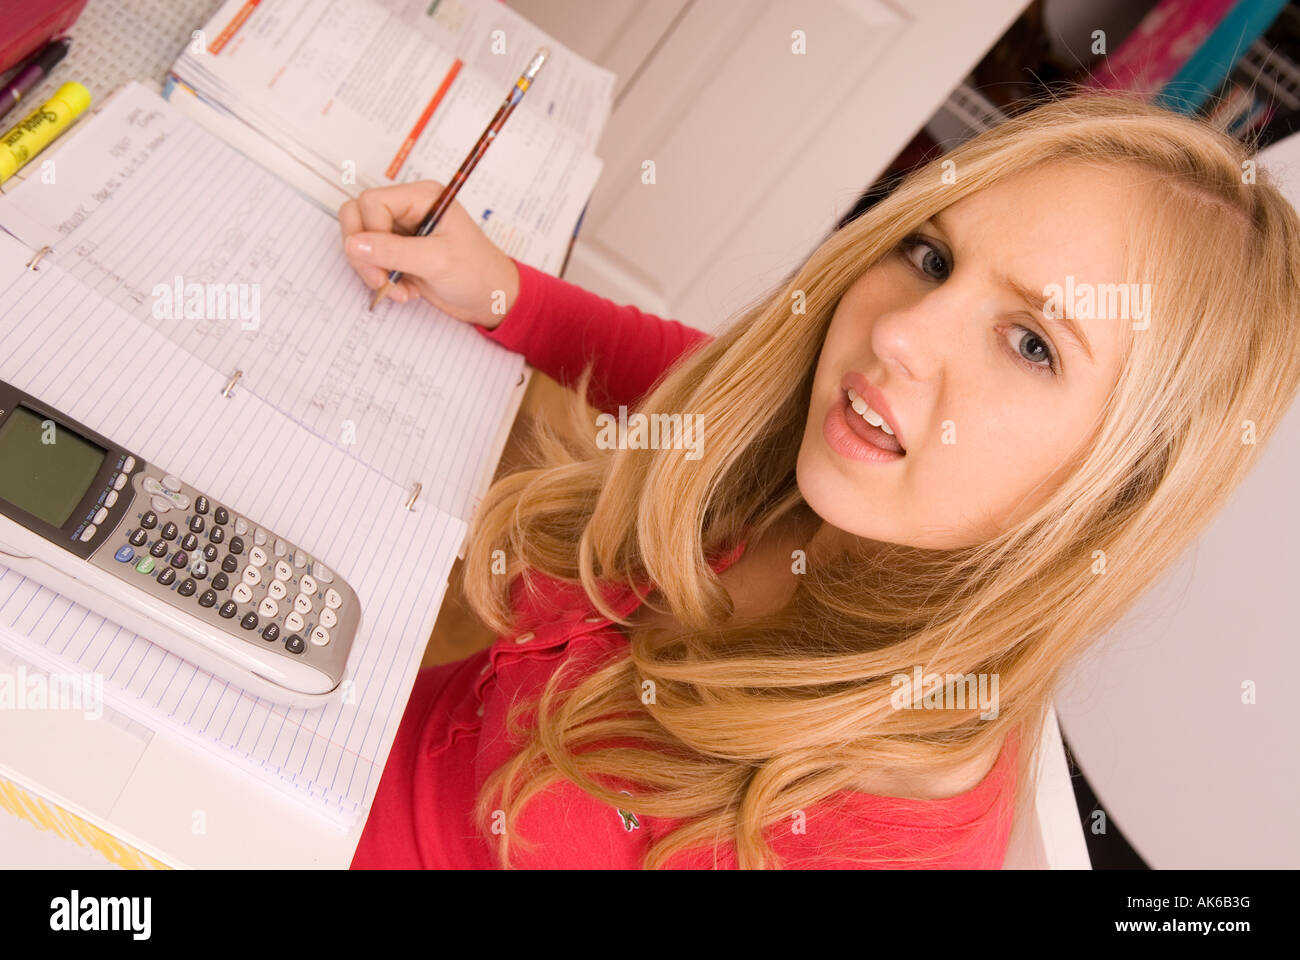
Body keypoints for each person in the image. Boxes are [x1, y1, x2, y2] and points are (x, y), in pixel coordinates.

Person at [339, 93, 1300, 868]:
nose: (898, 333)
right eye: (931, 256)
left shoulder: (881, 836)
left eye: (1031, 343)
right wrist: (501, 289)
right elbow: (687, 370)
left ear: (1119, 488)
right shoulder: (806, 442)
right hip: (325, 755)